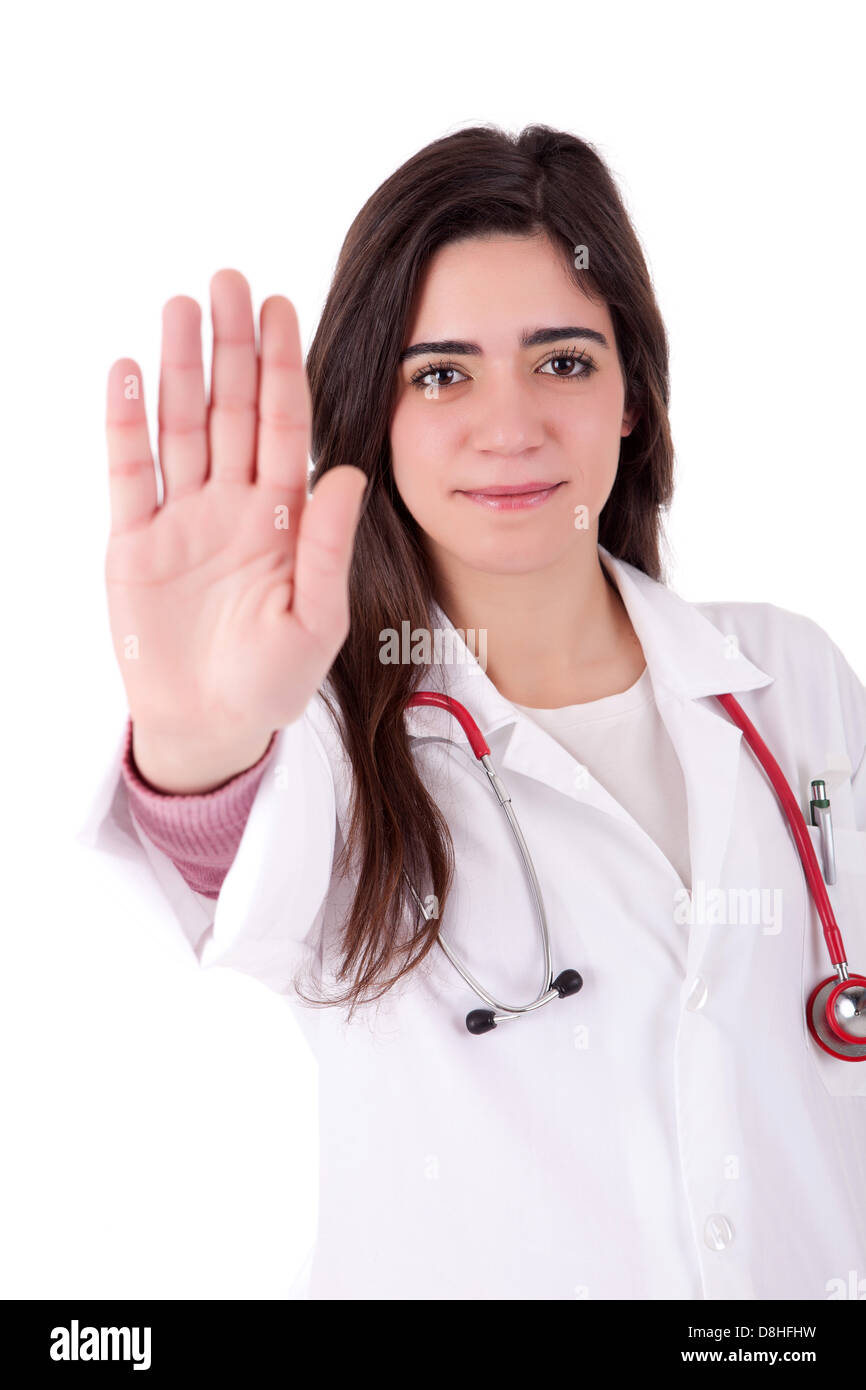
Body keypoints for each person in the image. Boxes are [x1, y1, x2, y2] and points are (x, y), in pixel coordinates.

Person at [77, 124, 866, 1301]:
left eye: (561, 362)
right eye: (439, 374)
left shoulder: (786, 674)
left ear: (632, 398)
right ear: (375, 417)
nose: (510, 427)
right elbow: (228, 860)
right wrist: (195, 737)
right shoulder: (330, 728)